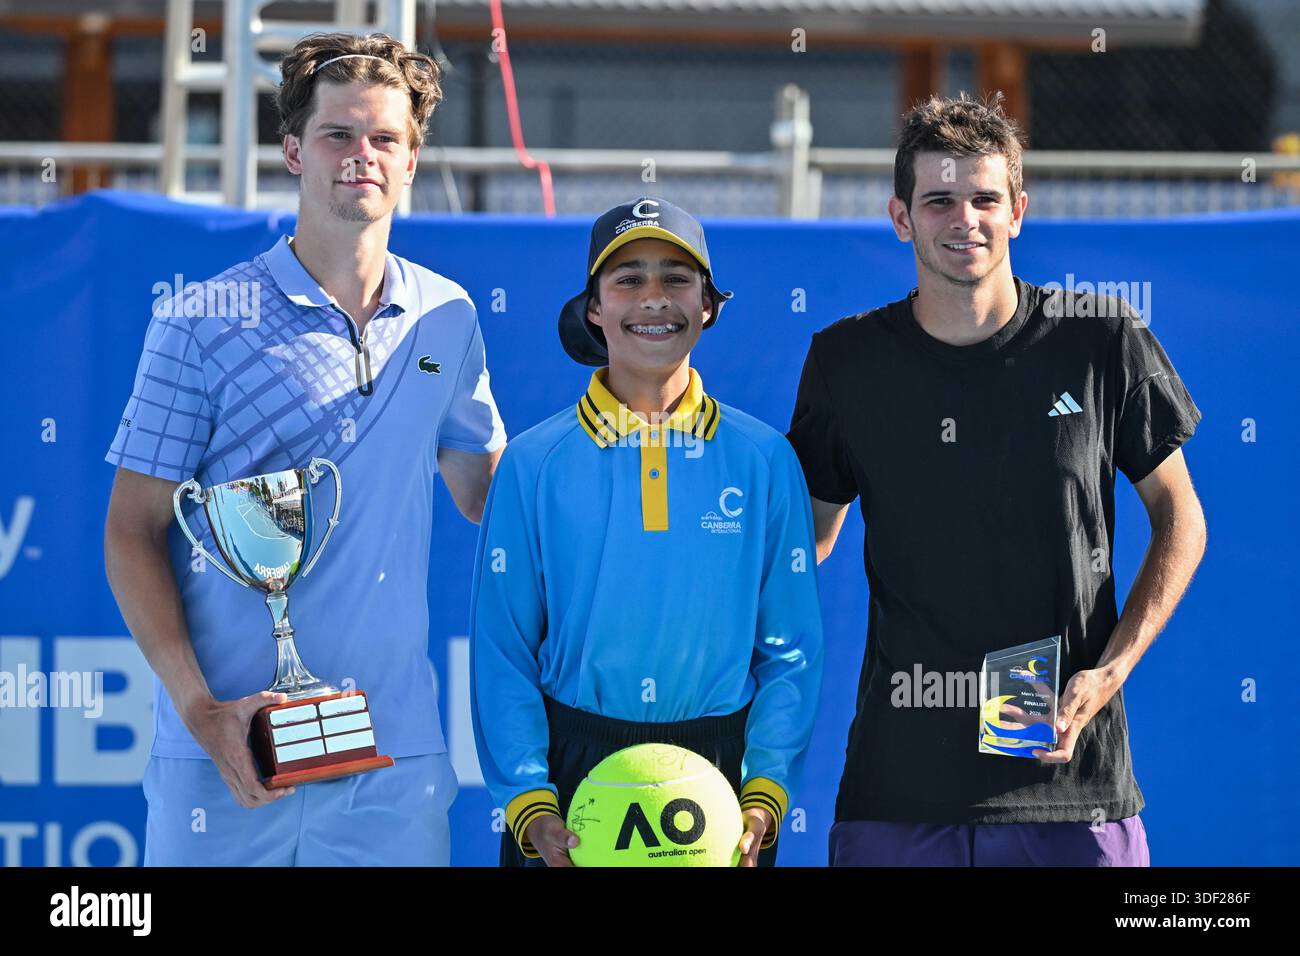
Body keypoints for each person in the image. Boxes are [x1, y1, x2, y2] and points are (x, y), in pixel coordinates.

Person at [102, 32, 505, 866]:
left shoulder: (447, 320)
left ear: (413, 157)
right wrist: (202, 712)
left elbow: (487, 494)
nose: (363, 156)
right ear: (293, 150)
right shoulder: (199, 322)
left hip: (393, 763)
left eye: (385, 138)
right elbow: (131, 532)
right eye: (339, 135)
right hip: (230, 756)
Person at [787, 93, 1206, 866]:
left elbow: (1181, 517)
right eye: (939, 200)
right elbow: (802, 544)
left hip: (1070, 784)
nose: (964, 220)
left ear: (1018, 209)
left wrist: (1108, 671)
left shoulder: (1101, 337)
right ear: (900, 215)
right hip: (899, 789)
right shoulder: (846, 362)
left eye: (984, 198)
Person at [470, 197, 823, 867]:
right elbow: (502, 648)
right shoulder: (534, 461)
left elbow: (791, 649)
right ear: (594, 308)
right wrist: (528, 797)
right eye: (628, 279)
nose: (653, 299)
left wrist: (765, 785)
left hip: (717, 776)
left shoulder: (763, 458)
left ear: (709, 305)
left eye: (677, 278)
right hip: (571, 776)